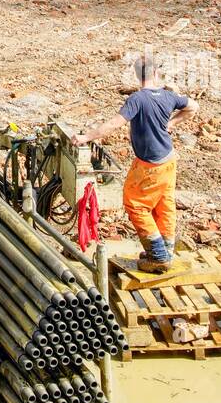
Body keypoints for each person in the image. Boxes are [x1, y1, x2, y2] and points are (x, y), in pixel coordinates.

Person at [72, 53, 198, 273]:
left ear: (136, 75)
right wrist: (172, 123)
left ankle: (158, 256)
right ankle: (166, 250)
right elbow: (193, 107)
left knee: (135, 204)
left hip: (150, 164)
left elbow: (113, 124)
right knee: (163, 204)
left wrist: (85, 138)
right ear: (156, 73)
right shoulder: (168, 96)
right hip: (169, 160)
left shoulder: (137, 100)